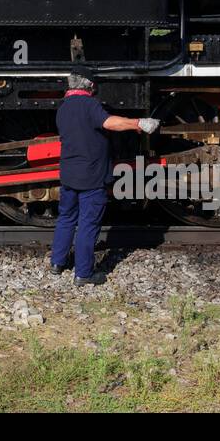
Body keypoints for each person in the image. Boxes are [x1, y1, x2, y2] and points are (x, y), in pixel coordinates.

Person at [51, 74, 159, 285]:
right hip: (91, 177)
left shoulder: (64, 107)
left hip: (69, 174)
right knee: (87, 224)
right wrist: (139, 123)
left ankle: (57, 262)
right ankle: (83, 274)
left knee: (66, 218)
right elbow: (110, 123)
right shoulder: (88, 104)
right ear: (90, 85)